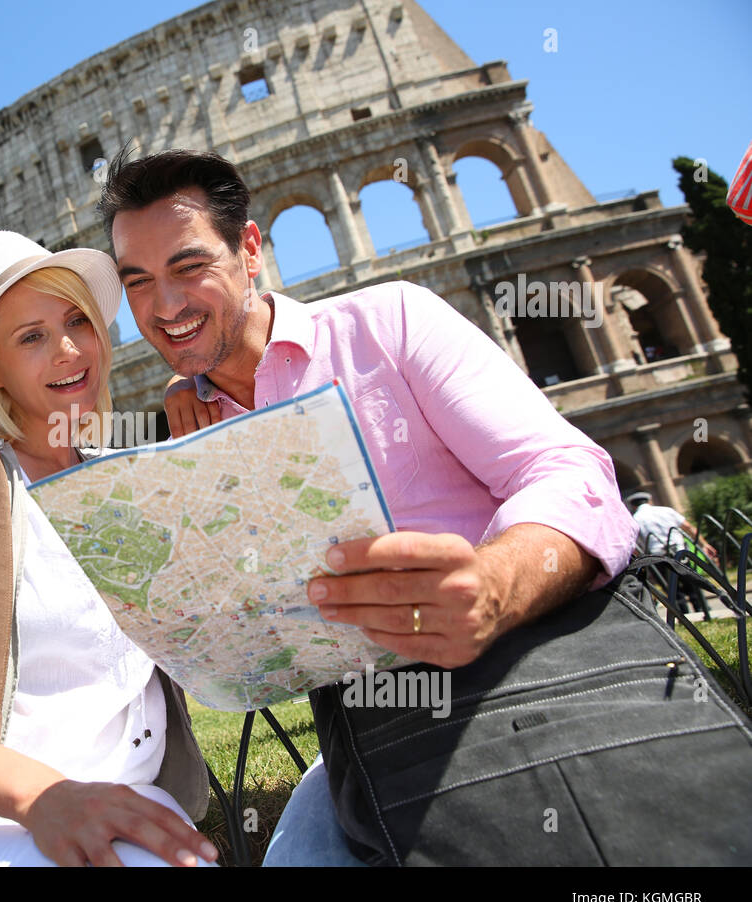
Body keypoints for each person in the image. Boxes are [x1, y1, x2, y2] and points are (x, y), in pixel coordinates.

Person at [95, 146, 647, 865]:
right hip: (368, 741)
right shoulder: (190, 427)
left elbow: (571, 470)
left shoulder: (388, 323)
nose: (164, 308)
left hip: (525, 672)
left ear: (250, 249)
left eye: (189, 267)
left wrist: (495, 586)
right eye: (138, 282)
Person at [0, 230, 217, 867]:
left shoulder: (118, 478)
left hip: (142, 815)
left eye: (78, 319)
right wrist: (46, 797)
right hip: (5, 829)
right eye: (32, 336)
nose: (70, 349)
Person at [626, 489, 719, 617]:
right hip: (679, 552)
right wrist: (704, 544)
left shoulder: (634, 519)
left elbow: (635, 545)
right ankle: (704, 611)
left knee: (672, 589)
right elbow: (688, 527)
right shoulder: (666, 510)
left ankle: (683, 616)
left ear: (634, 506)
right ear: (649, 501)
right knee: (691, 583)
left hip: (657, 557)